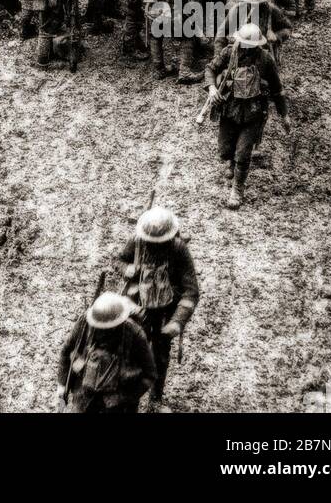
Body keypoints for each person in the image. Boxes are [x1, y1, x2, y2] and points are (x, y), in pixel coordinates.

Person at [120, 207, 199, 410]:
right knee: (133, 352)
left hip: (166, 311)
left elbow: (191, 292)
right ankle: (131, 399)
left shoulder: (179, 249)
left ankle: (155, 399)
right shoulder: (136, 241)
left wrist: (178, 322)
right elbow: (119, 259)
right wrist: (125, 269)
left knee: (161, 355)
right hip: (138, 309)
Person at [205, 23, 289, 209]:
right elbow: (210, 69)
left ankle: (237, 189)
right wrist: (212, 88)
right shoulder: (229, 53)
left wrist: (284, 116)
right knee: (225, 150)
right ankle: (231, 163)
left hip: (253, 112)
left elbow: (277, 89)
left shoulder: (266, 59)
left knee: (243, 153)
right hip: (230, 109)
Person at [56, 292, 156, 414]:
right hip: (84, 395)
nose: (100, 330)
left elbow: (149, 374)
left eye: (106, 328)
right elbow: (66, 351)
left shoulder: (134, 334)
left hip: (118, 403)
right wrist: (62, 384)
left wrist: (124, 397)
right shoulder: (84, 322)